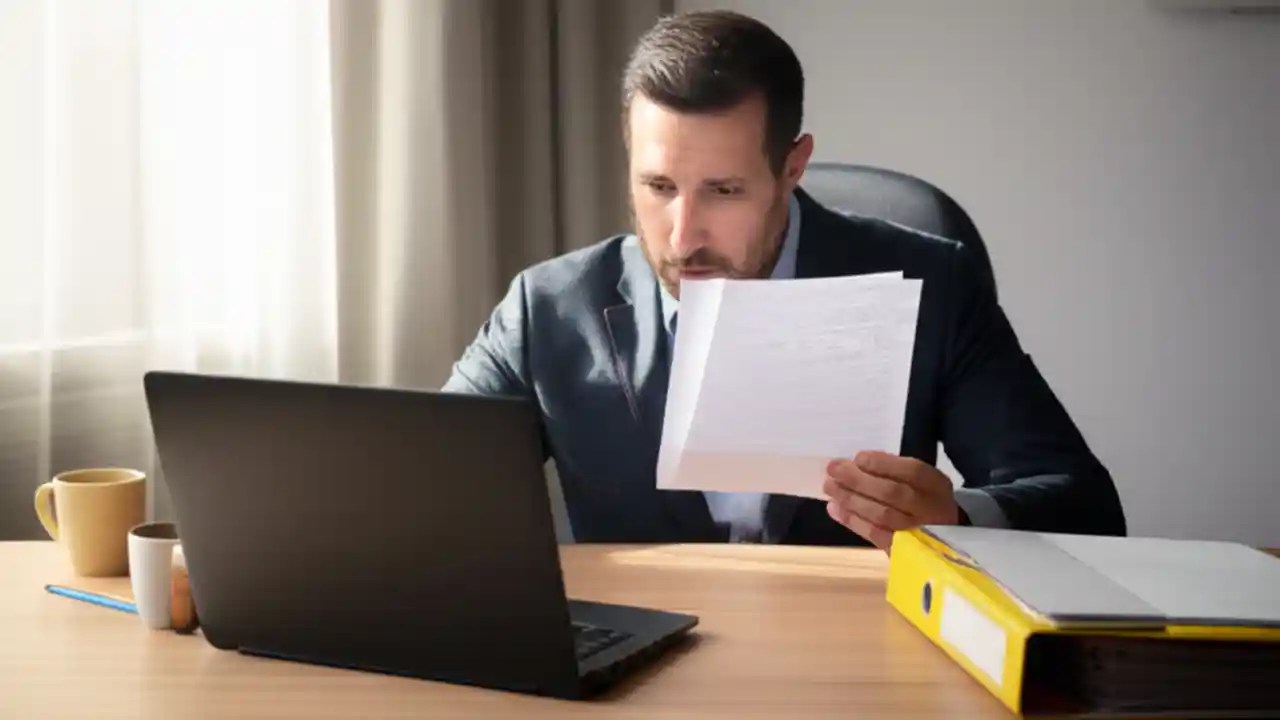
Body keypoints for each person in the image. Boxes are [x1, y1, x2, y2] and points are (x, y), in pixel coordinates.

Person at [443, 10, 1125, 551]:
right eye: (658, 186)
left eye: (724, 190)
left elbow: (1083, 505)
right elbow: (428, 482)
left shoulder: (933, 283)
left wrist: (955, 517)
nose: (683, 238)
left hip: (853, 666)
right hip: (634, 669)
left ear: (793, 166)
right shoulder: (548, 309)